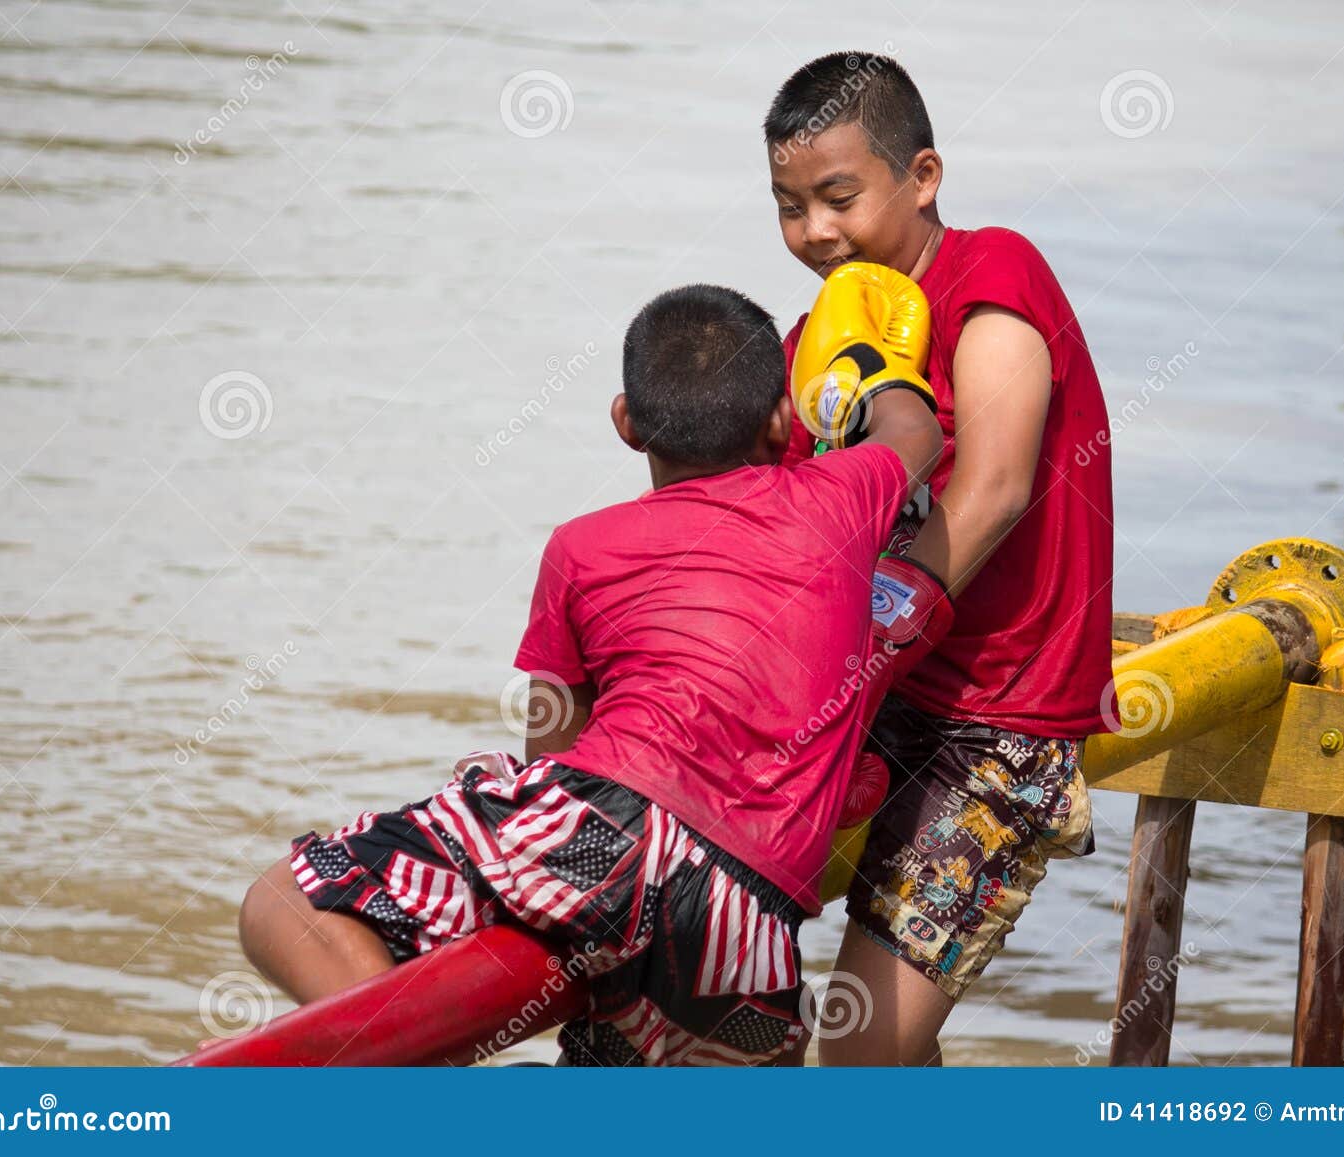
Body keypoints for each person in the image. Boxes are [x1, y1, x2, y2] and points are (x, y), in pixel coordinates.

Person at [235, 277, 946, 1065]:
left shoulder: (579, 546)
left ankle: (405, 1084)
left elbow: (552, 749)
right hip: (752, 916)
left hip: (602, 831)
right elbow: (915, 428)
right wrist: (853, 373)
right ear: (782, 421)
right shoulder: (839, 498)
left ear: (626, 423)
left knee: (284, 899)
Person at [765, 51, 1117, 1065]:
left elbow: (995, 488)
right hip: (876, 705)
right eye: (789, 207)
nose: (815, 232)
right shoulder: (813, 339)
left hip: (1000, 717)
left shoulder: (992, 270)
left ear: (923, 176)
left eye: (838, 197)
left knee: (859, 1046)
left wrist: (866, 637)